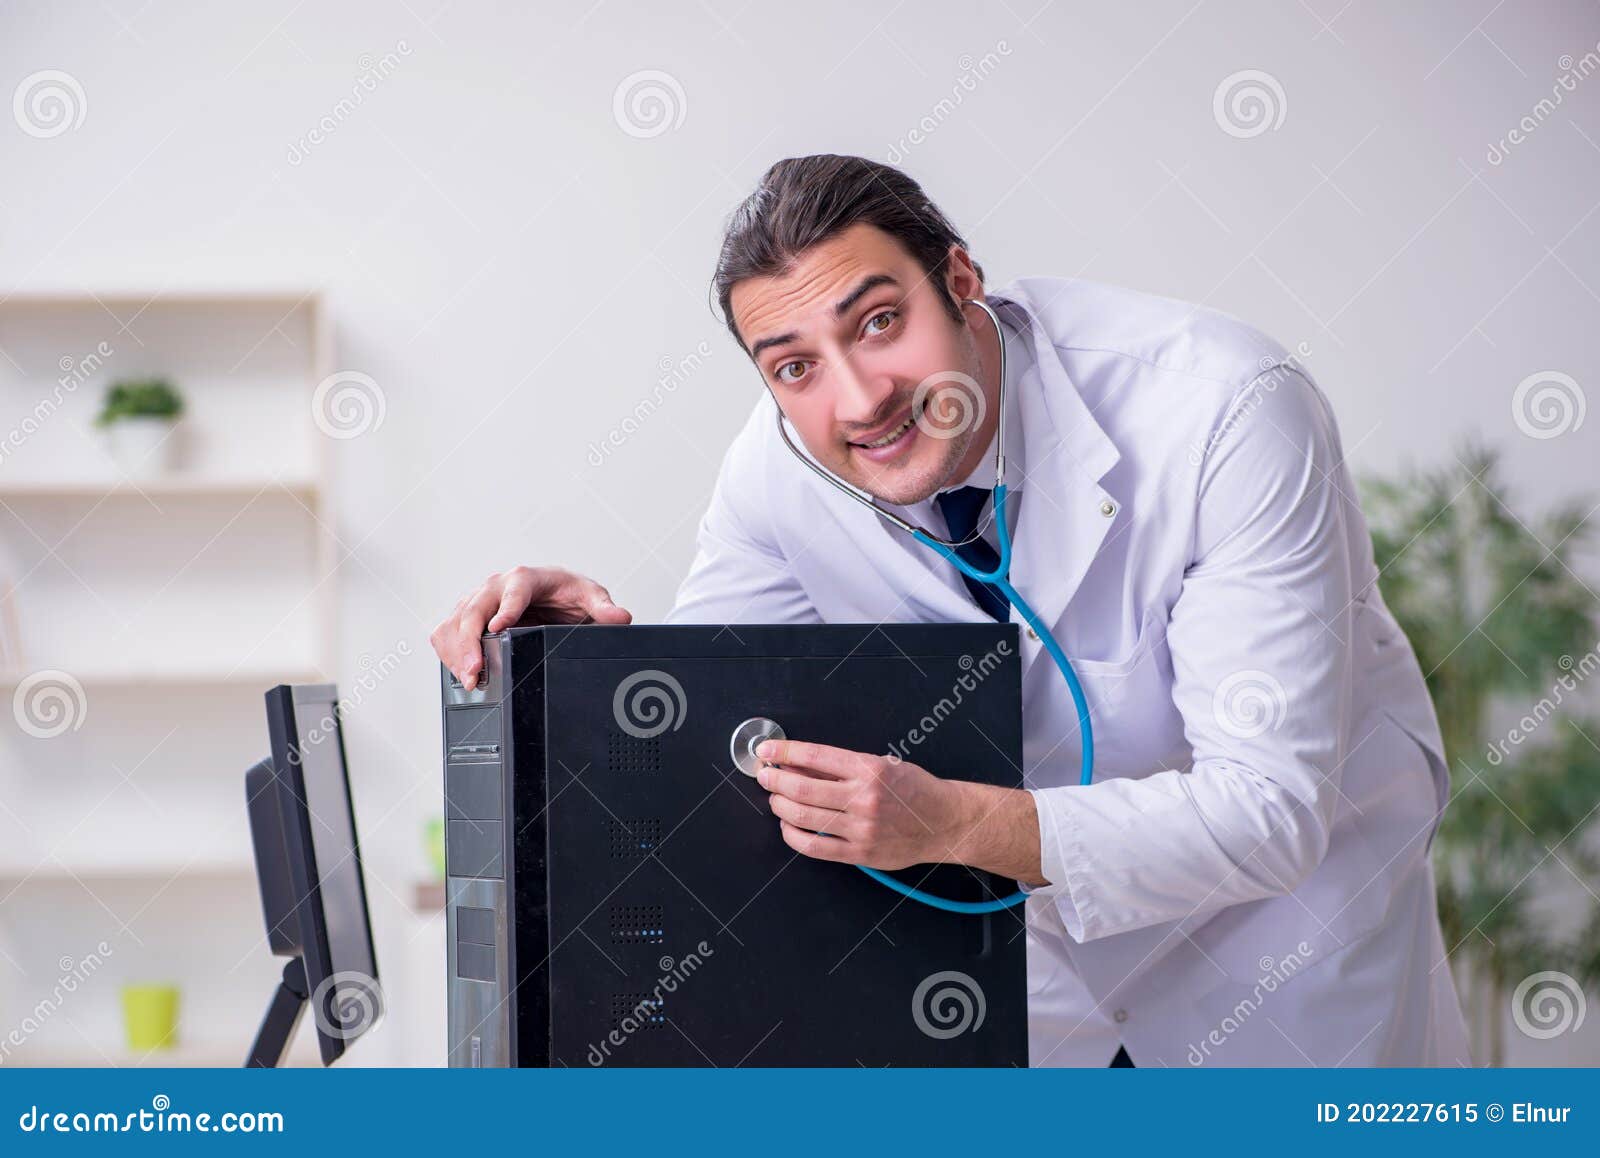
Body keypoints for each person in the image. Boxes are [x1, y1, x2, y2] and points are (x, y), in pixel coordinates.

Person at [430, 154, 1471, 1067]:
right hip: (1037, 983)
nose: (857, 400)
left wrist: (949, 820)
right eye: (793, 367)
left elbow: (1267, 810)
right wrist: (580, 662)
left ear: (961, 281)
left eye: (880, 322)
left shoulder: (1223, 410)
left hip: (1275, 959)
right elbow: (722, 722)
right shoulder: (779, 471)